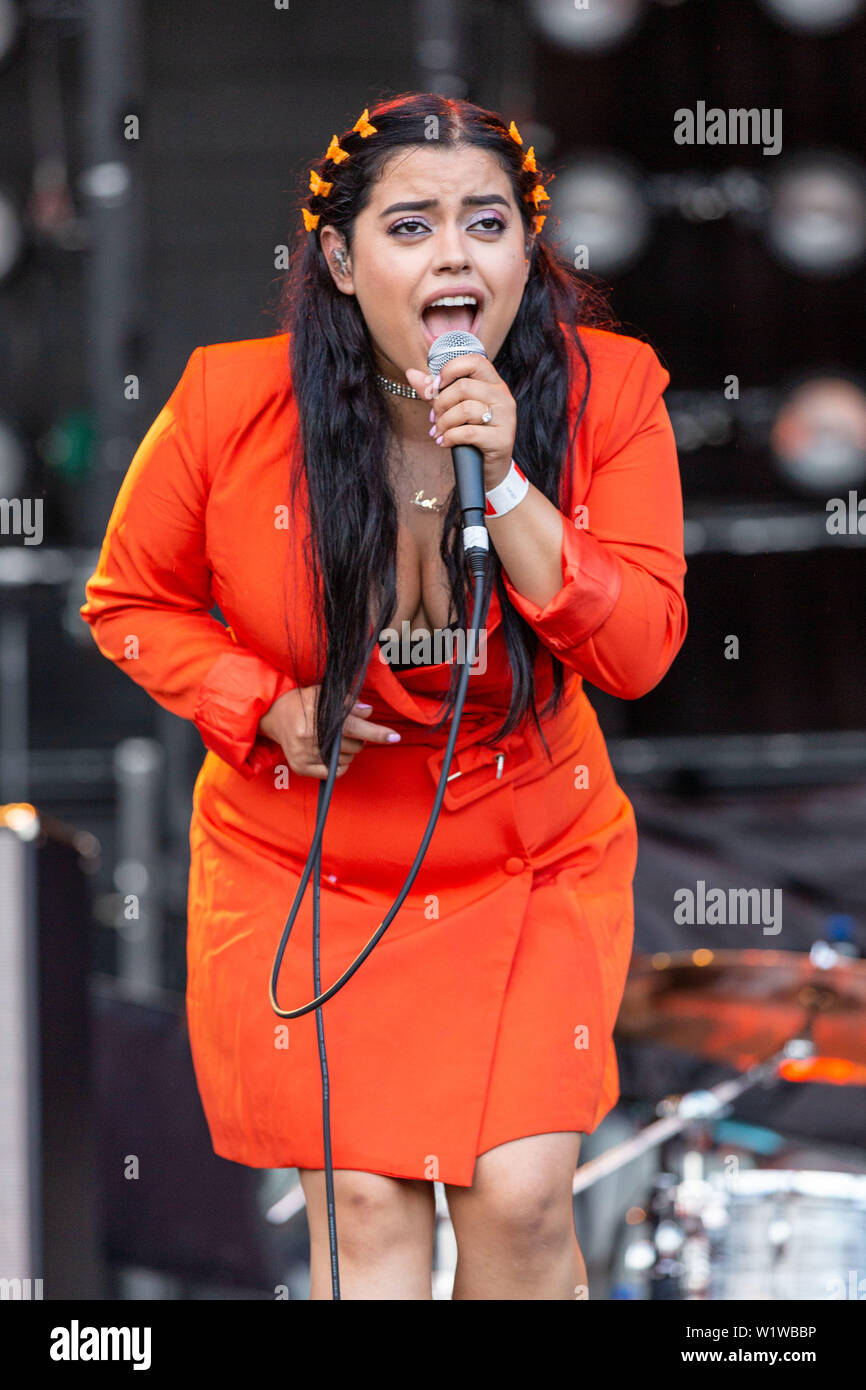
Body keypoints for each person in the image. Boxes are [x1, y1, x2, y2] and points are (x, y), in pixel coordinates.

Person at [80, 91, 688, 1300]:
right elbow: (126, 603)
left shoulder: (609, 393)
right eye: (410, 226)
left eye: (488, 223)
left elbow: (637, 652)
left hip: (530, 853)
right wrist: (262, 702)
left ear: (527, 252)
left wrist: (509, 482)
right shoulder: (223, 406)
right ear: (340, 262)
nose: (455, 254)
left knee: (518, 1206)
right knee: (367, 1212)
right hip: (306, 856)